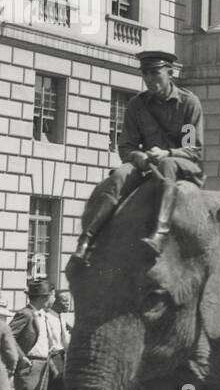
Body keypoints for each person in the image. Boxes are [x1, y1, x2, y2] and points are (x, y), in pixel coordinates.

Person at [72, 49, 205, 264]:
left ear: (170, 73)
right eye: (145, 74)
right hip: (146, 164)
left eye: (155, 73)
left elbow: (192, 149)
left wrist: (167, 153)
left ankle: (159, 233)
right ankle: (87, 240)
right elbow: (126, 146)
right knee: (119, 175)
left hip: (181, 163)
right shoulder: (137, 105)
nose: (150, 79)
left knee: (167, 165)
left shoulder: (189, 104)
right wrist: (139, 157)